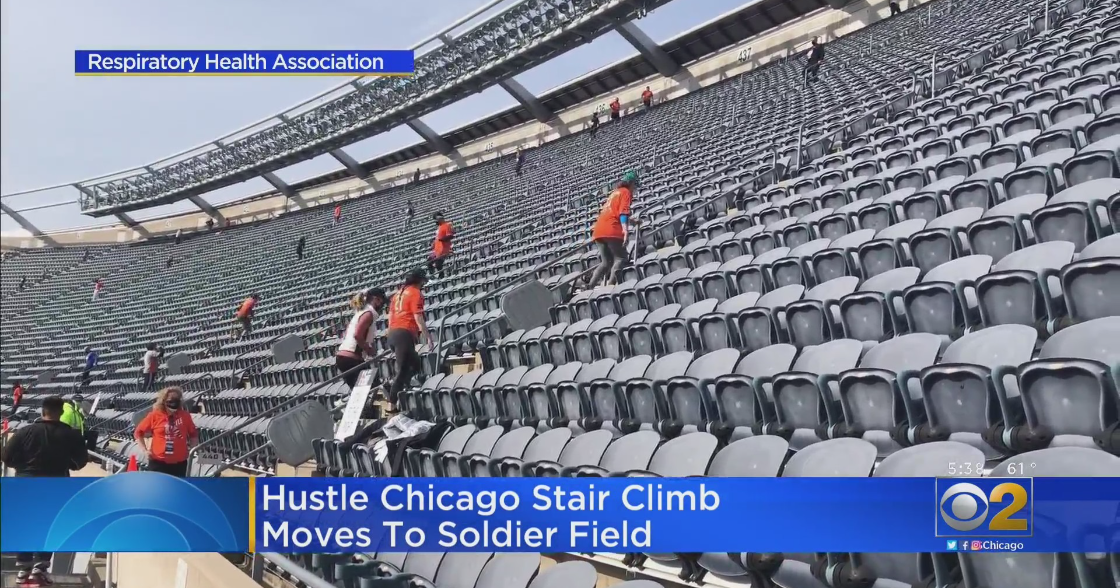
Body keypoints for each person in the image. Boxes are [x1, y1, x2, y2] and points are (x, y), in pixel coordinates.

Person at [1, 395, 89, 586]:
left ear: (43, 411)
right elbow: (80, 462)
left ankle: (24, 568)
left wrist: (23, 469)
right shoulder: (71, 434)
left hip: (25, 483)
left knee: (24, 523)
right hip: (55, 485)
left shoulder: (25, 432)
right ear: (61, 412)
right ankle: (39, 569)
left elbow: (6, 457)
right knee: (49, 525)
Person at [580, 171, 637, 290]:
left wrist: (632, 221)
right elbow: (622, 213)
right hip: (612, 230)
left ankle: (590, 285)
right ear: (631, 184)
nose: (635, 189)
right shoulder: (626, 193)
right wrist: (626, 231)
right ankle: (610, 286)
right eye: (635, 186)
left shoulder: (614, 193)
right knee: (621, 258)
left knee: (606, 263)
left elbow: (614, 212)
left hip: (599, 230)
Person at [386, 269, 431, 413]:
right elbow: (418, 317)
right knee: (403, 370)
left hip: (393, 333)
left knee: (415, 362)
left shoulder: (397, 294)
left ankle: (406, 391)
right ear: (419, 280)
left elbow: (390, 316)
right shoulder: (415, 293)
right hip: (403, 333)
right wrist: (428, 337)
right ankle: (391, 404)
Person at [134, 387, 199, 477]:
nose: (174, 403)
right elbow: (138, 433)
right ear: (163, 401)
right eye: (170, 400)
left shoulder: (185, 416)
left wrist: (191, 448)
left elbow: (193, 434)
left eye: (176, 400)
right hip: (158, 463)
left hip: (179, 464)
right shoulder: (154, 416)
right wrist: (145, 451)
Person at [336, 288, 387, 389]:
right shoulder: (368, 313)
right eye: (381, 302)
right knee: (370, 387)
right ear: (376, 299)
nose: (382, 305)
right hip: (351, 358)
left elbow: (348, 333)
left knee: (363, 389)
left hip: (343, 357)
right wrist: (368, 349)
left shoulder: (360, 312)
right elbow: (357, 335)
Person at [427, 212, 454, 277]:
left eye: (437, 220)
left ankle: (441, 277)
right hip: (437, 250)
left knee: (438, 264)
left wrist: (443, 239)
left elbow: (450, 236)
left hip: (444, 249)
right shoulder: (439, 227)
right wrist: (433, 243)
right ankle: (432, 276)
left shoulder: (447, 225)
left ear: (441, 219)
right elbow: (437, 238)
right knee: (429, 261)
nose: (436, 222)